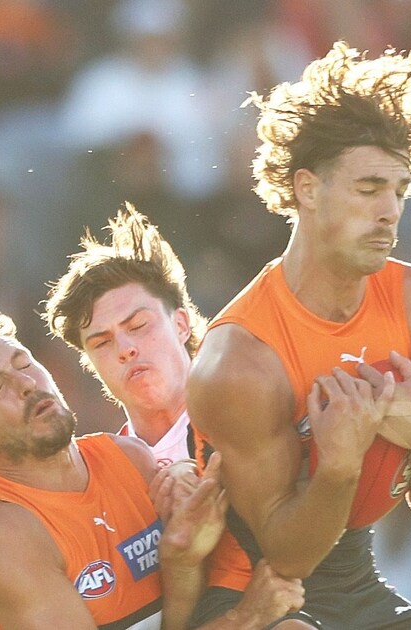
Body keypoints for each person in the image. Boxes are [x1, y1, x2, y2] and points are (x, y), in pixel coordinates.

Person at [185, 41, 411, 629]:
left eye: (400, 191)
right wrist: (337, 464)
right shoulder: (239, 360)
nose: (390, 211)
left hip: (355, 579)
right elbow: (286, 558)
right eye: (369, 190)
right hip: (253, 590)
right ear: (307, 190)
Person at [0, 307, 291, 629]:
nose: (27, 384)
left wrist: (184, 559)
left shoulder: (131, 459)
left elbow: (181, 619)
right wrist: (245, 619)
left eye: (24, 362)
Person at [44, 204, 312, 629]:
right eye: (101, 342)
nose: (125, 349)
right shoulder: (106, 482)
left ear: (183, 324)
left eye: (138, 325)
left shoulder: (255, 403)